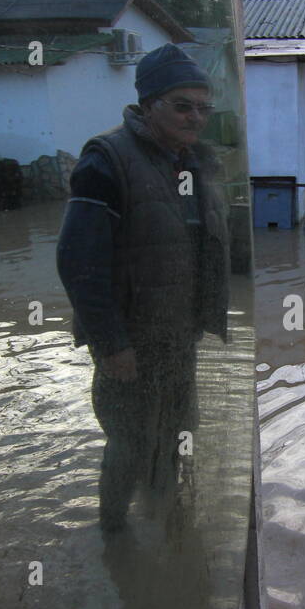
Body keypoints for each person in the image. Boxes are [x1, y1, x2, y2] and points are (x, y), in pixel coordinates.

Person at [56, 43, 229, 534]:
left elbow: (202, 244)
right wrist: (111, 345)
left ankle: (168, 520)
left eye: (203, 107)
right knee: (129, 442)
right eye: (182, 106)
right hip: (130, 341)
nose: (196, 117)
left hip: (180, 334)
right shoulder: (105, 160)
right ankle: (114, 535)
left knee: (178, 433)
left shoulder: (196, 162)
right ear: (148, 104)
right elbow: (78, 263)